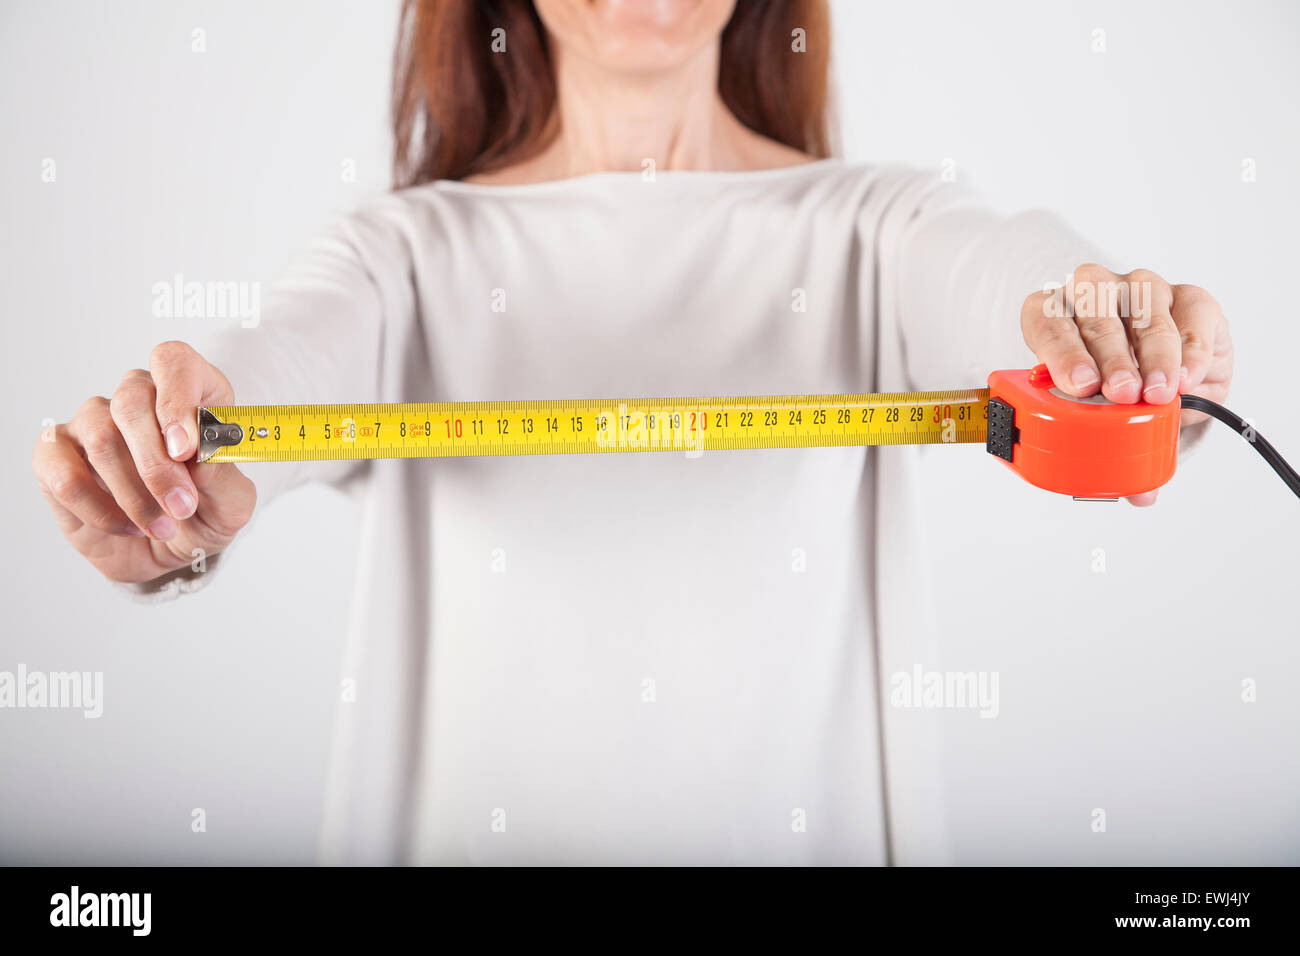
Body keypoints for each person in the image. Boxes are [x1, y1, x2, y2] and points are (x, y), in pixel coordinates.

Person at [31, 0, 1233, 864]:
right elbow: (286, 364)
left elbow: (997, 270)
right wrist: (187, 460)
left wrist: (1105, 330)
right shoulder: (400, 254)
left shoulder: (876, 224)